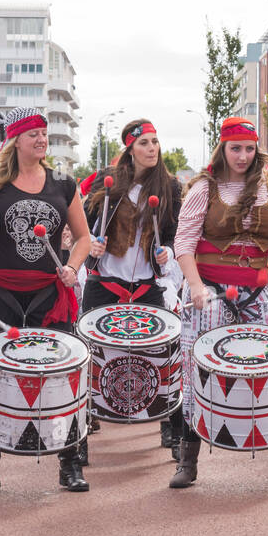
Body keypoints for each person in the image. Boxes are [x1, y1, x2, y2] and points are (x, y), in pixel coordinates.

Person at [169, 116, 268, 489]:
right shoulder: (204, 187)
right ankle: (188, 460)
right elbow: (183, 244)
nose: (243, 155)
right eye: (236, 148)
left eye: (249, 149)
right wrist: (196, 287)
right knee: (195, 367)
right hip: (210, 290)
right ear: (223, 148)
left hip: (257, 289)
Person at [0, 106, 93, 495]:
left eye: (43, 132)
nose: (41, 138)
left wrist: (71, 266)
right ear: (15, 140)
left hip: (49, 295)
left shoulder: (64, 183)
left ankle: (69, 461)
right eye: (33, 133)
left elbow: (83, 237)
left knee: (59, 375)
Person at [82, 119, 183, 450]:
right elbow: (84, 225)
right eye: (144, 143)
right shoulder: (106, 181)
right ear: (130, 149)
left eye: (155, 142)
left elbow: (172, 234)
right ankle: (83, 423)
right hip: (105, 281)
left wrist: (166, 251)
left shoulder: (169, 186)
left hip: (145, 284)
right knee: (91, 355)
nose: (151, 148)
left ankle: (170, 422)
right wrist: (90, 247)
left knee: (165, 353)